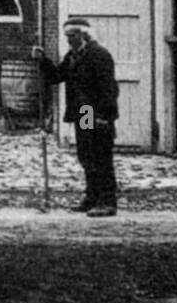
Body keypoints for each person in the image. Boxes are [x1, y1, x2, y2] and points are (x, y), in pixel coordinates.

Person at [32, 18, 120, 217]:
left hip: (95, 112)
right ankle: (92, 198)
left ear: (84, 35)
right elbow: (56, 76)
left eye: (73, 35)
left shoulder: (99, 55)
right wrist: (43, 60)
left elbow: (110, 89)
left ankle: (107, 201)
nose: (69, 40)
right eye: (67, 36)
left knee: (101, 157)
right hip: (83, 112)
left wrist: (104, 116)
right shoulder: (72, 56)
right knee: (87, 154)